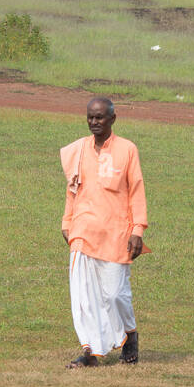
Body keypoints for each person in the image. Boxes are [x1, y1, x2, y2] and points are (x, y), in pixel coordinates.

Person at [59, 97, 148, 368]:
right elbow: (73, 190)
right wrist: (67, 223)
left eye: (99, 117)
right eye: (90, 117)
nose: (94, 122)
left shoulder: (127, 149)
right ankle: (92, 352)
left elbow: (137, 191)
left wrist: (138, 230)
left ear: (112, 119)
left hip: (116, 233)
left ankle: (129, 335)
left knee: (114, 294)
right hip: (82, 231)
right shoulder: (78, 150)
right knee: (84, 297)